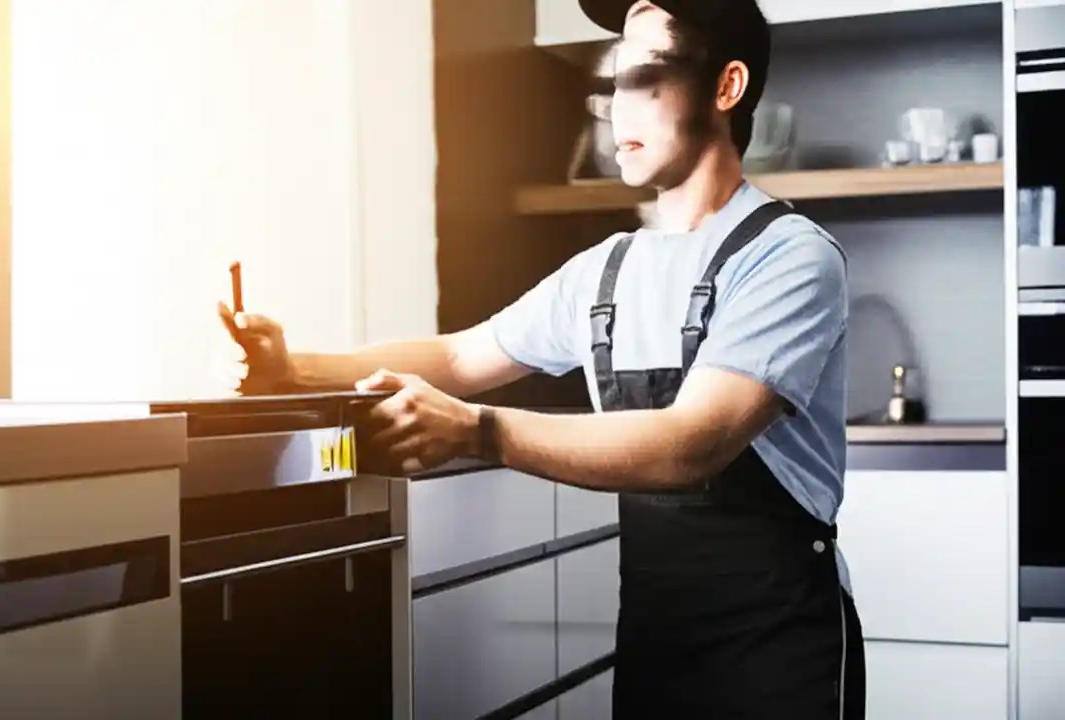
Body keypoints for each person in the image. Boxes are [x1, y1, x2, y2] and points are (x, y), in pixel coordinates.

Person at [214, 0, 865, 716]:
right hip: (657, 641)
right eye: (614, 82)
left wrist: (478, 431)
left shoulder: (790, 257)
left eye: (645, 75)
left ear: (727, 86)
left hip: (775, 651)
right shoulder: (608, 271)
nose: (620, 108)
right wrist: (293, 369)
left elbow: (692, 444)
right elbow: (461, 357)